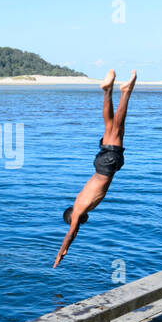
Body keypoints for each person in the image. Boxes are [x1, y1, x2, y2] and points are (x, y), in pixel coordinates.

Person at [54, 68, 136, 267]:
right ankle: (111, 91)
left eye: (77, 220)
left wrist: (61, 252)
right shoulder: (80, 202)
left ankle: (122, 91)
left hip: (107, 165)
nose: (81, 222)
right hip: (102, 164)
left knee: (117, 126)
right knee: (111, 126)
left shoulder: (80, 208)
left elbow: (72, 231)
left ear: (73, 216)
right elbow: (75, 226)